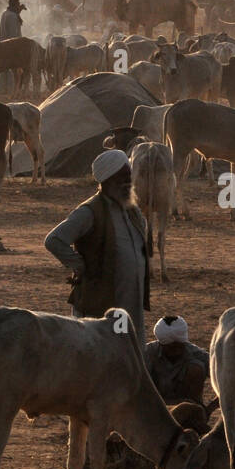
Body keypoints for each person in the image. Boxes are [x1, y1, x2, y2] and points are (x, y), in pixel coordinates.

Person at [44, 149, 150, 349]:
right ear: (108, 179)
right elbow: (54, 240)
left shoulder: (132, 211)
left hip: (130, 299)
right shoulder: (89, 211)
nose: (129, 181)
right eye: (123, 176)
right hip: (102, 297)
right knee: (101, 350)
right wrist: (80, 265)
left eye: (129, 176)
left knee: (129, 348)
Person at [144, 315, 209, 405]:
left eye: (179, 346)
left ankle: (194, 408)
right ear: (161, 343)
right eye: (170, 347)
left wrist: (208, 409)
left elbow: (227, 380)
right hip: (154, 406)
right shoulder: (147, 353)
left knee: (196, 368)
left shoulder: (196, 354)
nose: (176, 350)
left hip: (187, 409)